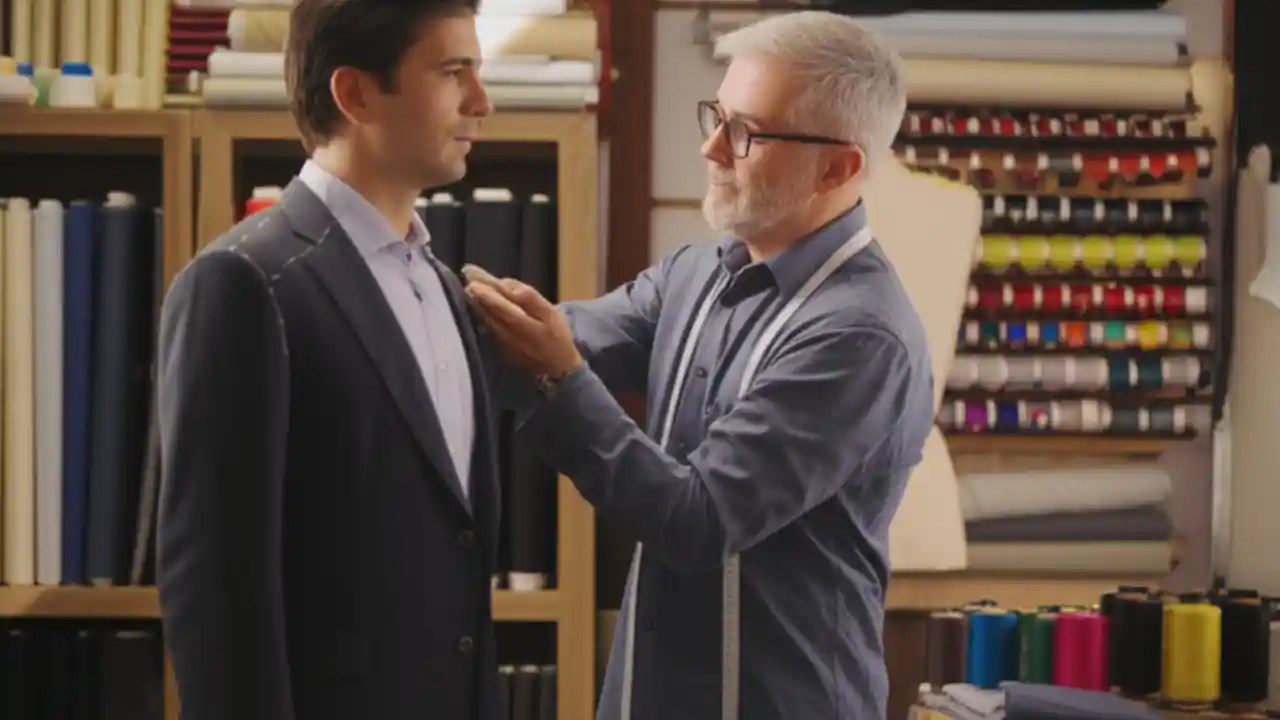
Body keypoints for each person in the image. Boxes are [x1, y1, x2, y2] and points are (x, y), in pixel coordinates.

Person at [467, 10, 934, 720]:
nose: (711, 148)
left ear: (837, 167)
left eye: (746, 132)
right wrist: (426, 310)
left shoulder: (860, 337)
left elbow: (697, 522)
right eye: (716, 116)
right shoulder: (697, 273)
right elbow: (560, 336)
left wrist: (559, 377)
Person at [155, 1, 500, 718]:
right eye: (453, 72)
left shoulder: (444, 286)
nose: (481, 102)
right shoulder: (243, 283)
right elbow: (216, 595)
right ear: (355, 93)